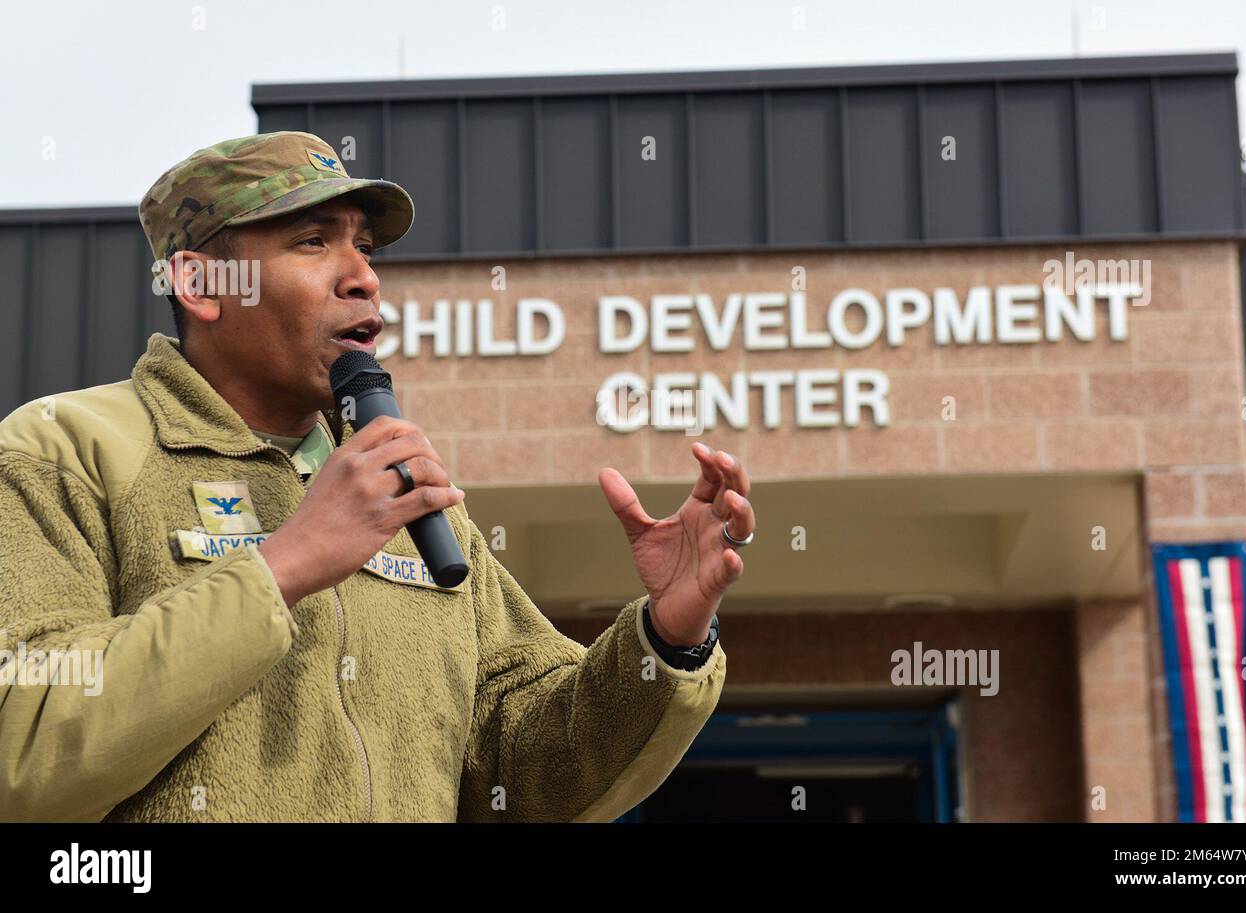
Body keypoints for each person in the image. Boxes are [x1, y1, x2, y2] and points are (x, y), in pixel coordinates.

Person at [0, 131, 756, 822]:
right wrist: (283, 568)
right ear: (201, 283)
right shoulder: (64, 451)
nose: (363, 277)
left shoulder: (410, 494)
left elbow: (523, 767)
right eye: (312, 242)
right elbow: (23, 747)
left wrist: (667, 639)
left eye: (365, 249)